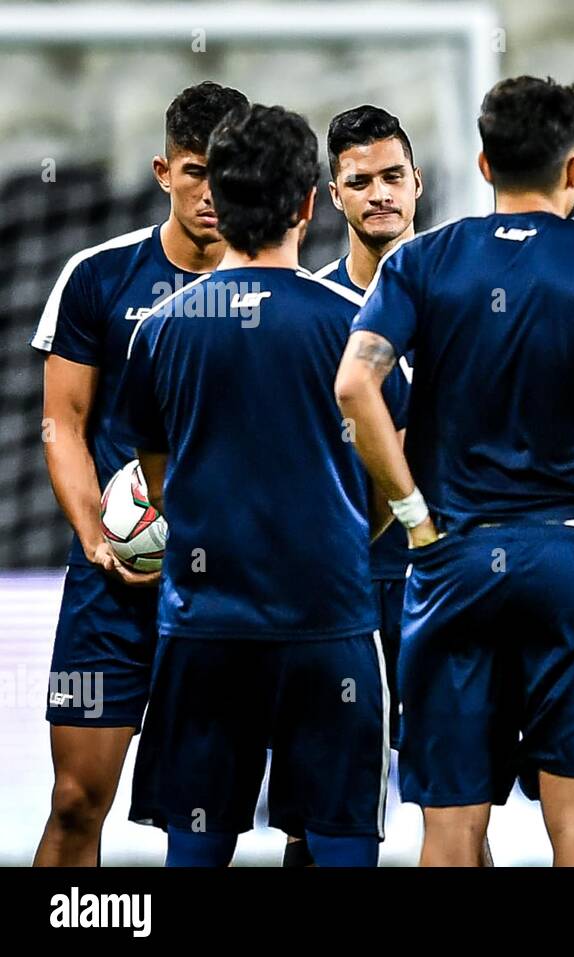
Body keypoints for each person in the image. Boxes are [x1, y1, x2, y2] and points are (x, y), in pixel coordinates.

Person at [334, 76, 574, 866]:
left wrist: (416, 514)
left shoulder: (421, 263)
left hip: (452, 557)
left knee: (452, 828)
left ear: (484, 162)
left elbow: (354, 385)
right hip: (572, 559)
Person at [117, 103, 407, 867]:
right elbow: (392, 478)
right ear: (310, 203)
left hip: (204, 629)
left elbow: (157, 480)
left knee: (198, 848)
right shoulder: (361, 329)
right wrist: (338, 533)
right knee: (342, 840)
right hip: (330, 625)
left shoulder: (161, 328)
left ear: (220, 197)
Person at [30, 81, 247, 866]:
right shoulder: (97, 277)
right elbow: (65, 425)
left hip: (232, 589)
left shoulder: (282, 290)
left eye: (227, 171)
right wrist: (96, 535)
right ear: (163, 170)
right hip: (114, 582)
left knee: (204, 820)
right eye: (195, 171)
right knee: (75, 800)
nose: (211, 191)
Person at [278, 104, 424, 869]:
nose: (379, 194)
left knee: (455, 809)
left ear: (418, 182)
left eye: (392, 176)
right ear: (332, 196)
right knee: (315, 817)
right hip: (341, 590)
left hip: (443, 585)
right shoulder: (309, 310)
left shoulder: (464, 299)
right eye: (358, 181)